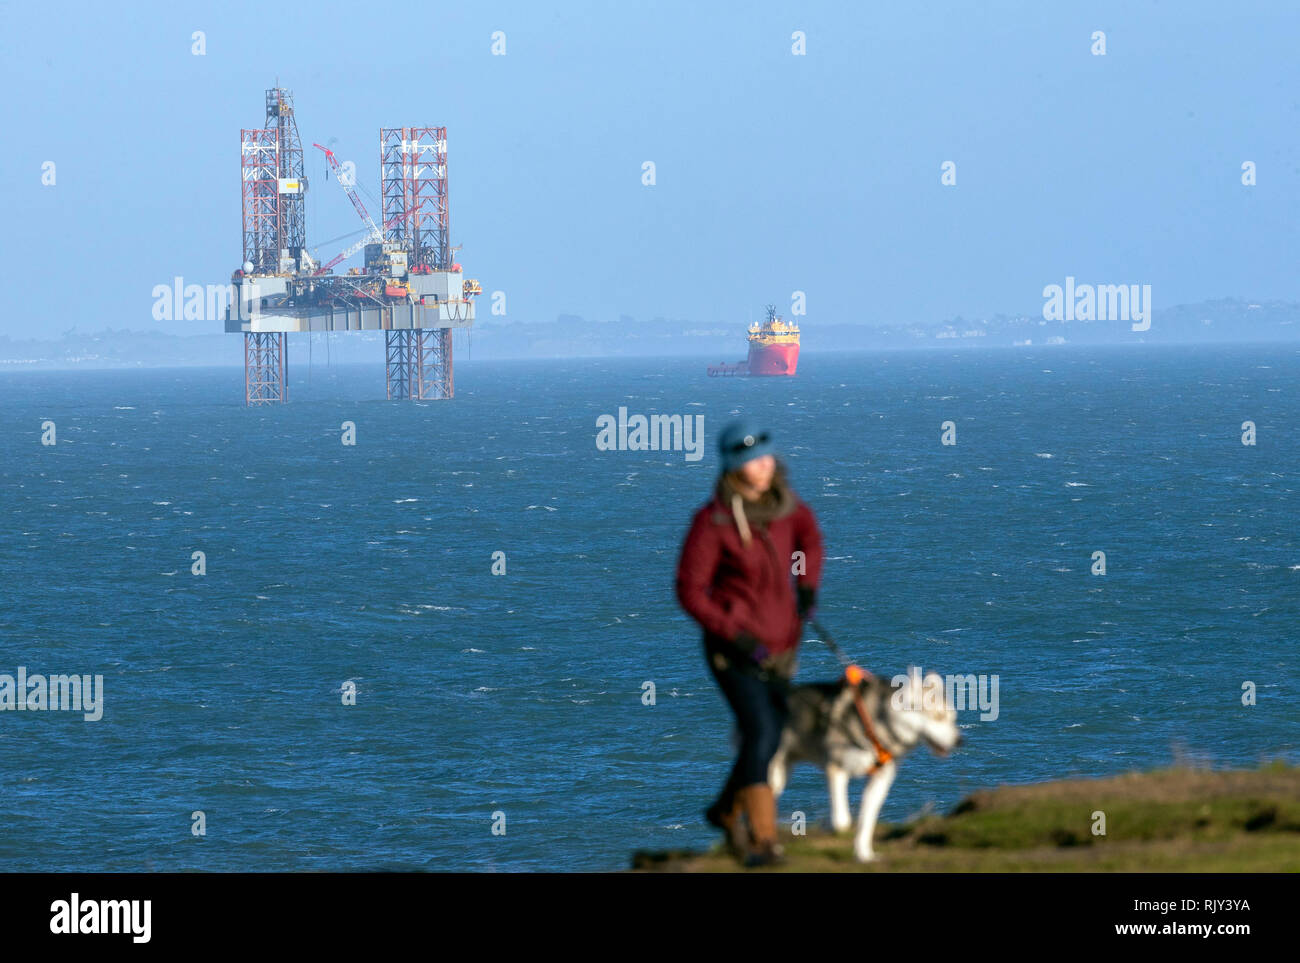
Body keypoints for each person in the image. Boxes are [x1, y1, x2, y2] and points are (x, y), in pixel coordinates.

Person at [675, 418, 824, 866]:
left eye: (765, 458)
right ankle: (763, 841)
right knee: (761, 731)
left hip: (782, 647)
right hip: (733, 651)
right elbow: (689, 590)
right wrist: (733, 634)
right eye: (750, 462)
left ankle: (724, 811)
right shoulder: (713, 522)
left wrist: (806, 586)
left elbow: (809, 542)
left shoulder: (787, 507)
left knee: (773, 735)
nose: (761, 467)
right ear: (732, 469)